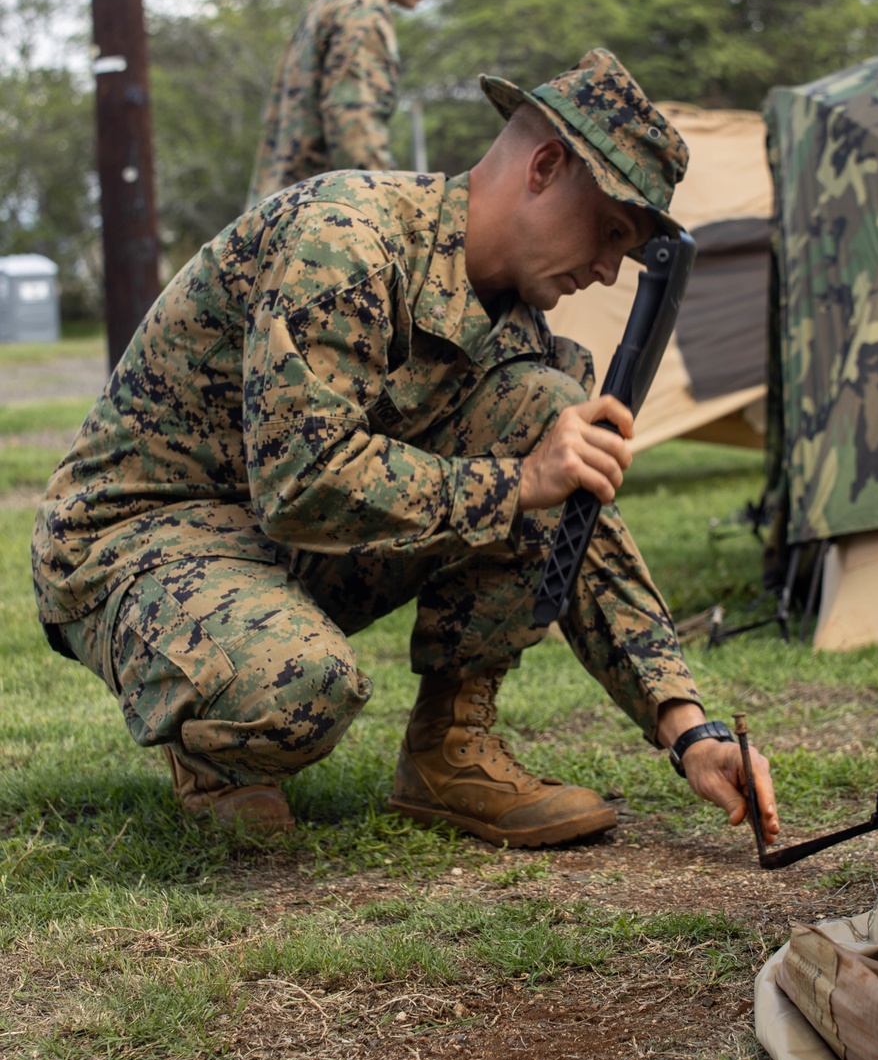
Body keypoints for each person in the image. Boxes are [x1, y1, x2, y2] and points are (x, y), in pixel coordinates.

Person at [32, 48, 779, 851]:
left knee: (548, 410)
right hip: (139, 538)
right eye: (610, 232)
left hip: (278, 545)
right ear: (545, 167)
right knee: (296, 688)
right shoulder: (345, 239)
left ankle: (450, 749)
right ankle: (217, 748)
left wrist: (688, 727)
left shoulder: (512, 324)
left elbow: (579, 526)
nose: (605, 271)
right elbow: (303, 482)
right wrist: (516, 483)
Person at [245, 0, 460, 207]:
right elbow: (356, 132)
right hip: (319, 217)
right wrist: (390, 210)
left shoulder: (329, 3)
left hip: (278, 210)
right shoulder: (363, 12)